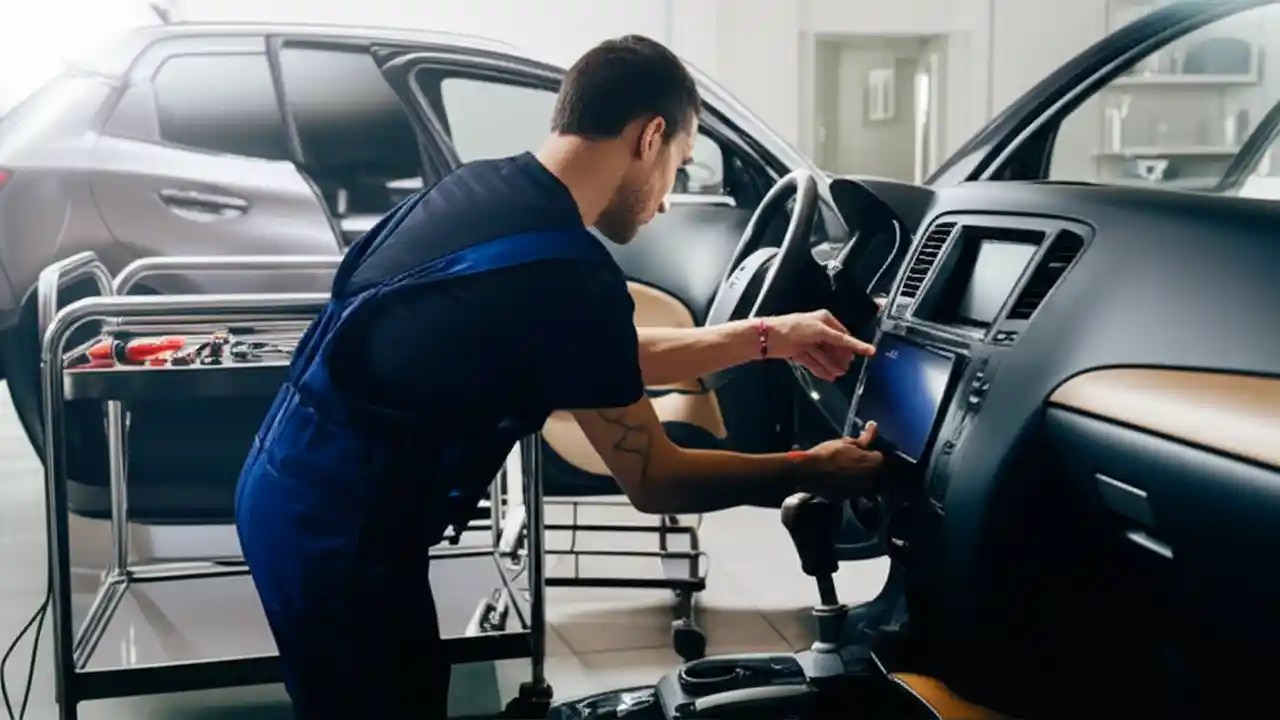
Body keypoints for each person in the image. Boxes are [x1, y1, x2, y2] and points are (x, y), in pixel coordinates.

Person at [233, 34, 884, 719]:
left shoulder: (485, 189)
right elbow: (657, 479)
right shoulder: (567, 276)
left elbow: (599, 350)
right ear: (650, 136)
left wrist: (767, 338)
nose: (666, 199)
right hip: (340, 533)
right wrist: (809, 468)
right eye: (679, 167)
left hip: (292, 486)